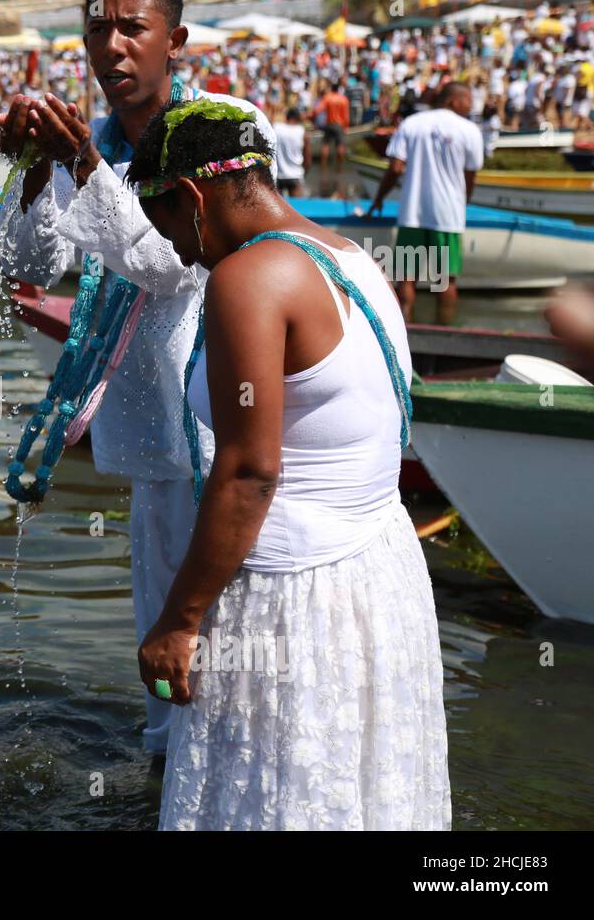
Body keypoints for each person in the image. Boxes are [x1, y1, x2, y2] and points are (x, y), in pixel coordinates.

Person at [125, 96, 449, 830]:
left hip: (292, 599)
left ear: (190, 196)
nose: (178, 251)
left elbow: (249, 470)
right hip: (377, 573)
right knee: (355, 790)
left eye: (168, 225)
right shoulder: (351, 258)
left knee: (270, 799)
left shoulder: (249, 278)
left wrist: (179, 619)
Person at [0, 0, 276, 759]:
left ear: (175, 42)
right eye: (97, 30)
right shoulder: (98, 142)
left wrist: (80, 163)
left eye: (133, 29)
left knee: (231, 647)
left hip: (224, 428)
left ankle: (230, 779)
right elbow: (30, 262)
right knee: (161, 639)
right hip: (149, 427)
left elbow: (173, 265)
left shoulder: (224, 128)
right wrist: (34, 168)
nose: (111, 47)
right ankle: (168, 782)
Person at [366, 82, 483, 324]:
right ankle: (446, 337)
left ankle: (404, 332)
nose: (471, 106)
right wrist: (464, 202)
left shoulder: (412, 123)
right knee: (445, 281)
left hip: (412, 213)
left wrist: (379, 198)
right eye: (468, 100)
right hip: (448, 217)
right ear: (453, 101)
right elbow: (470, 176)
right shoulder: (469, 130)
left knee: (406, 278)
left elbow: (396, 168)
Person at [312, 81, 350, 167]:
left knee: (325, 145)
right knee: (340, 145)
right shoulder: (344, 99)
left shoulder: (328, 98)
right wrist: (346, 127)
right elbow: (346, 115)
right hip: (339, 125)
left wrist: (311, 116)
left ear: (331, 89)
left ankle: (323, 165)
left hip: (329, 124)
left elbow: (318, 110)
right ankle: (340, 166)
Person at [272, 106, 308, 196]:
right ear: (298, 118)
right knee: (297, 207)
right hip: (295, 176)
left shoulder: (276, 128)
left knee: (278, 209)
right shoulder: (302, 132)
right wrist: (303, 173)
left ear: (287, 117)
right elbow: (308, 160)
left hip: (277, 176)